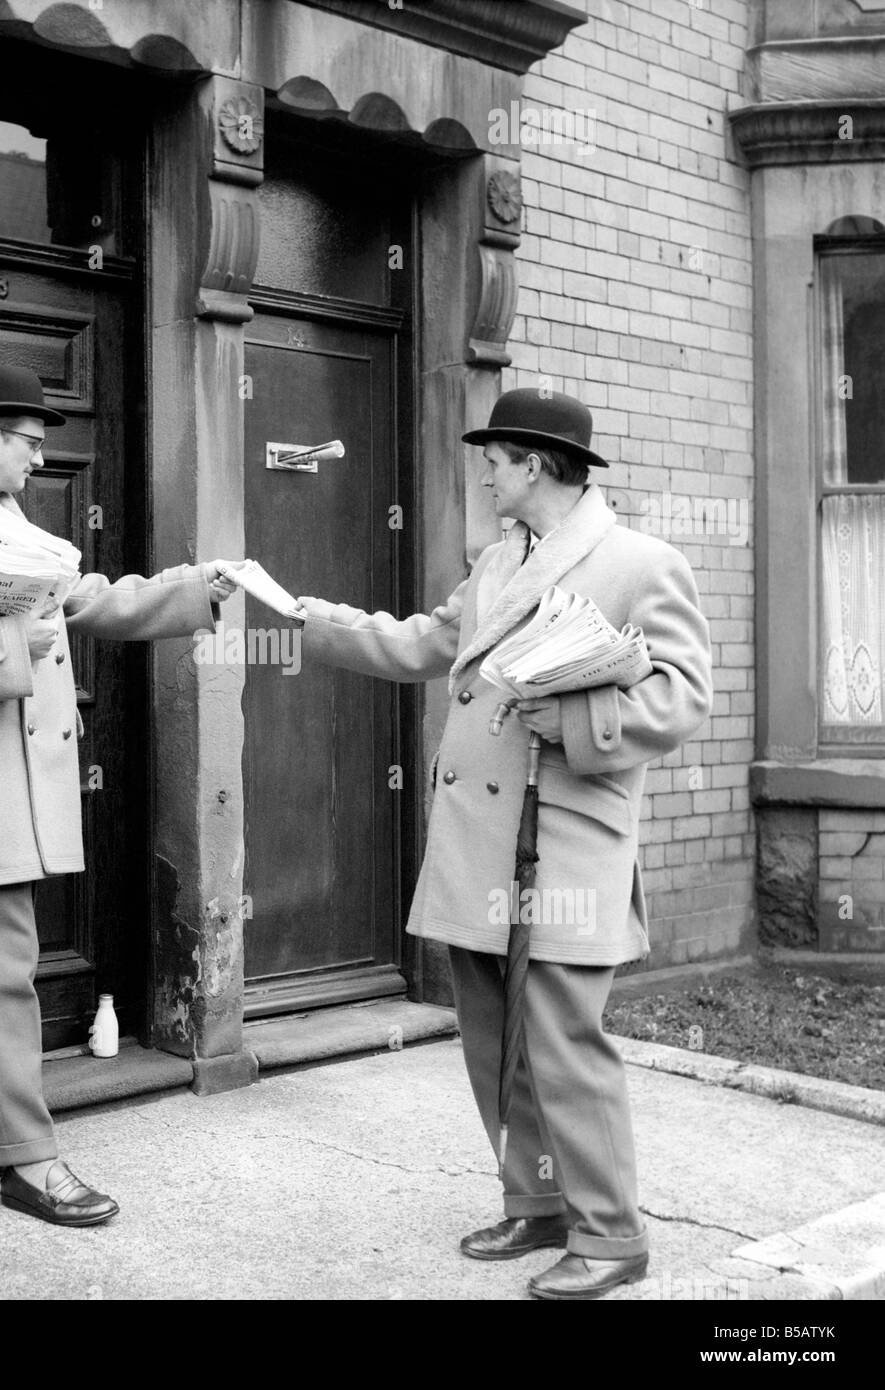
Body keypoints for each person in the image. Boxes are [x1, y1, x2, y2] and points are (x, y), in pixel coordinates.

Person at [292, 387, 712, 1298]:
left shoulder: (641, 563)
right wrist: (303, 620)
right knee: (493, 1037)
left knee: (563, 1041)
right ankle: (537, 1202)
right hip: (481, 844)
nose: (483, 473)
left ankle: (611, 1237)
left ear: (533, 464)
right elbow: (423, 643)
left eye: (494, 458)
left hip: (561, 843)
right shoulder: (495, 563)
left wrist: (573, 716)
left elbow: (682, 698)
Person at [0, 364, 239, 1227]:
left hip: (7, 783)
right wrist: (9, 640)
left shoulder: (11, 524)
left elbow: (90, 601)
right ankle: (29, 1162)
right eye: (30, 442)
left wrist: (194, 589)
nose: (39, 458)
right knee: (2, 973)